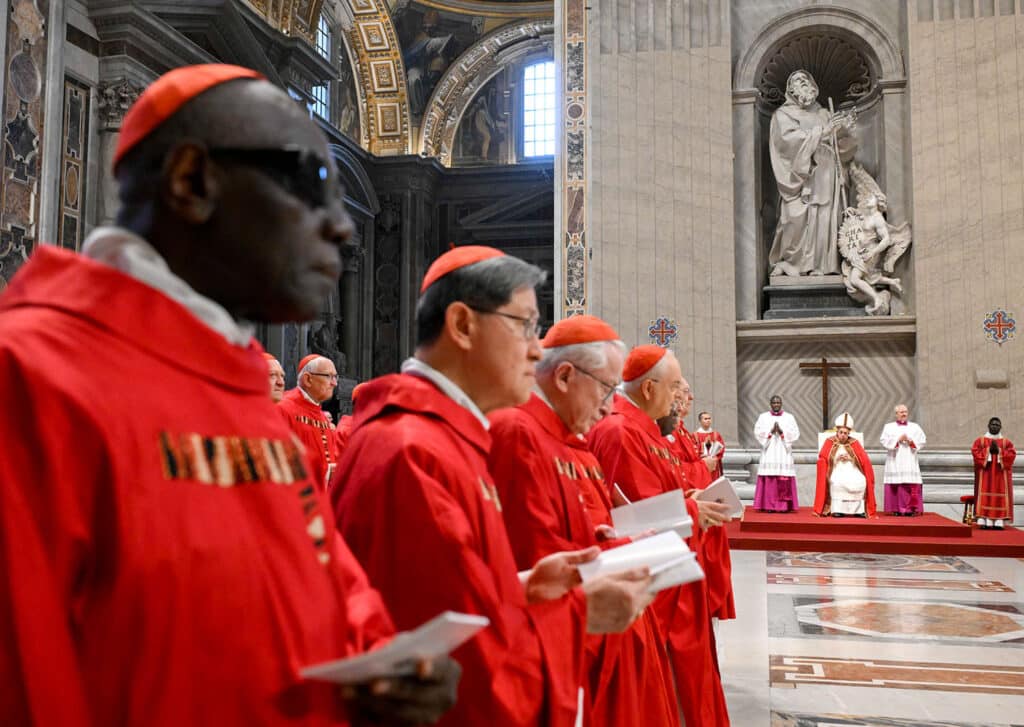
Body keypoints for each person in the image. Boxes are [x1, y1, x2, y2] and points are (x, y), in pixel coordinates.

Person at [0, 64, 459, 725]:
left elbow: (326, 573)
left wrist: (379, 658)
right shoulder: (35, 375)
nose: (342, 227)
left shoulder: (238, 385)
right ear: (193, 182)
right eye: (313, 185)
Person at [330, 246, 657, 727]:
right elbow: (460, 661)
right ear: (462, 325)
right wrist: (579, 614)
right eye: (524, 325)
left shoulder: (446, 437)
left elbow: (452, 606)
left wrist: (521, 588)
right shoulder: (412, 449)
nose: (536, 349)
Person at [488, 315, 680, 727]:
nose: (611, 405)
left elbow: (573, 533)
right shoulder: (518, 432)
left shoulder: (565, 437)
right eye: (607, 388)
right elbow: (534, 558)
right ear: (563, 376)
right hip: (567, 640)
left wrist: (611, 540)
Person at [588, 345, 732, 727]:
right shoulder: (621, 430)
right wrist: (690, 509)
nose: (678, 400)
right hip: (655, 592)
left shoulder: (644, 430)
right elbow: (633, 518)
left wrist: (690, 498)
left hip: (676, 578)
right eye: (673, 389)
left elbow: (657, 494)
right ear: (649, 389)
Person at [768, 69, 855, 277]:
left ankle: (823, 265)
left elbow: (841, 145)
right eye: (798, 81)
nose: (803, 84)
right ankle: (794, 262)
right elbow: (787, 142)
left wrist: (844, 129)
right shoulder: (783, 115)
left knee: (825, 214)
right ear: (791, 90)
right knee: (795, 218)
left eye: (806, 81)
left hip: (826, 170)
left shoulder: (823, 113)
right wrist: (822, 133)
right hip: (803, 173)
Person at [668, 391, 735, 624]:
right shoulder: (671, 431)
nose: (692, 396)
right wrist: (702, 467)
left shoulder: (683, 429)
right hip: (686, 514)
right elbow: (674, 470)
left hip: (698, 504)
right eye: (684, 391)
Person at [279, 353, 340, 491]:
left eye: (335, 377)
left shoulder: (323, 417)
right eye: (329, 376)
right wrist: (326, 472)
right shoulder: (284, 409)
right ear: (308, 379)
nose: (334, 383)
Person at [813, 412, 876, 518]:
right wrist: (835, 458)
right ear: (837, 432)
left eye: (845, 433)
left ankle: (858, 510)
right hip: (836, 469)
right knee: (838, 482)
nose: (843, 435)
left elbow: (863, 459)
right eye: (841, 432)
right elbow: (823, 458)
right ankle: (838, 510)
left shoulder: (854, 443)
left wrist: (851, 458)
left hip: (853, 469)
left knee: (861, 481)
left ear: (848, 434)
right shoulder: (830, 442)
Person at [753, 395, 800, 512]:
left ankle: (783, 507)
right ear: (770, 404)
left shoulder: (789, 417)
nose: (776, 405)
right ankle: (768, 506)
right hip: (769, 451)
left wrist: (782, 432)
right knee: (770, 478)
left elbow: (796, 433)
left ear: (781, 403)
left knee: (783, 477)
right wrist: (769, 432)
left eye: (778, 402)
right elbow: (757, 432)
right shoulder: (763, 417)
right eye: (774, 403)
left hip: (783, 452)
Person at [880, 404, 926, 515]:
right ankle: (896, 509)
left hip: (909, 458)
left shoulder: (915, 427)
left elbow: (922, 440)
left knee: (909, 483)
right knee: (896, 483)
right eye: (901, 412)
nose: (904, 414)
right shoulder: (888, 427)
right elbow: (883, 440)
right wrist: (897, 440)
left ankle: (910, 509)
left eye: (905, 411)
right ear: (896, 414)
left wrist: (911, 441)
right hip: (895, 458)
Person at [972, 417, 1016, 529]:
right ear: (988, 425)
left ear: (1000, 427)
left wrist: (999, 451)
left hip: (1000, 476)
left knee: (1000, 496)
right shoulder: (980, 441)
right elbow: (975, 453)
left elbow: (1011, 455)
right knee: (984, 494)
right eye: (993, 424)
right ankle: (983, 519)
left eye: (997, 424)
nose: (995, 426)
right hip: (985, 474)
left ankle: (999, 521)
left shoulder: (1007, 442)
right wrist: (988, 451)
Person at [695, 410, 725, 480]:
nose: (708, 420)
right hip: (701, 463)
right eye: (705, 419)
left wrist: (715, 457)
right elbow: (693, 449)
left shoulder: (716, 435)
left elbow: (721, 448)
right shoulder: (695, 435)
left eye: (709, 418)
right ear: (700, 421)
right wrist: (702, 457)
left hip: (714, 463)